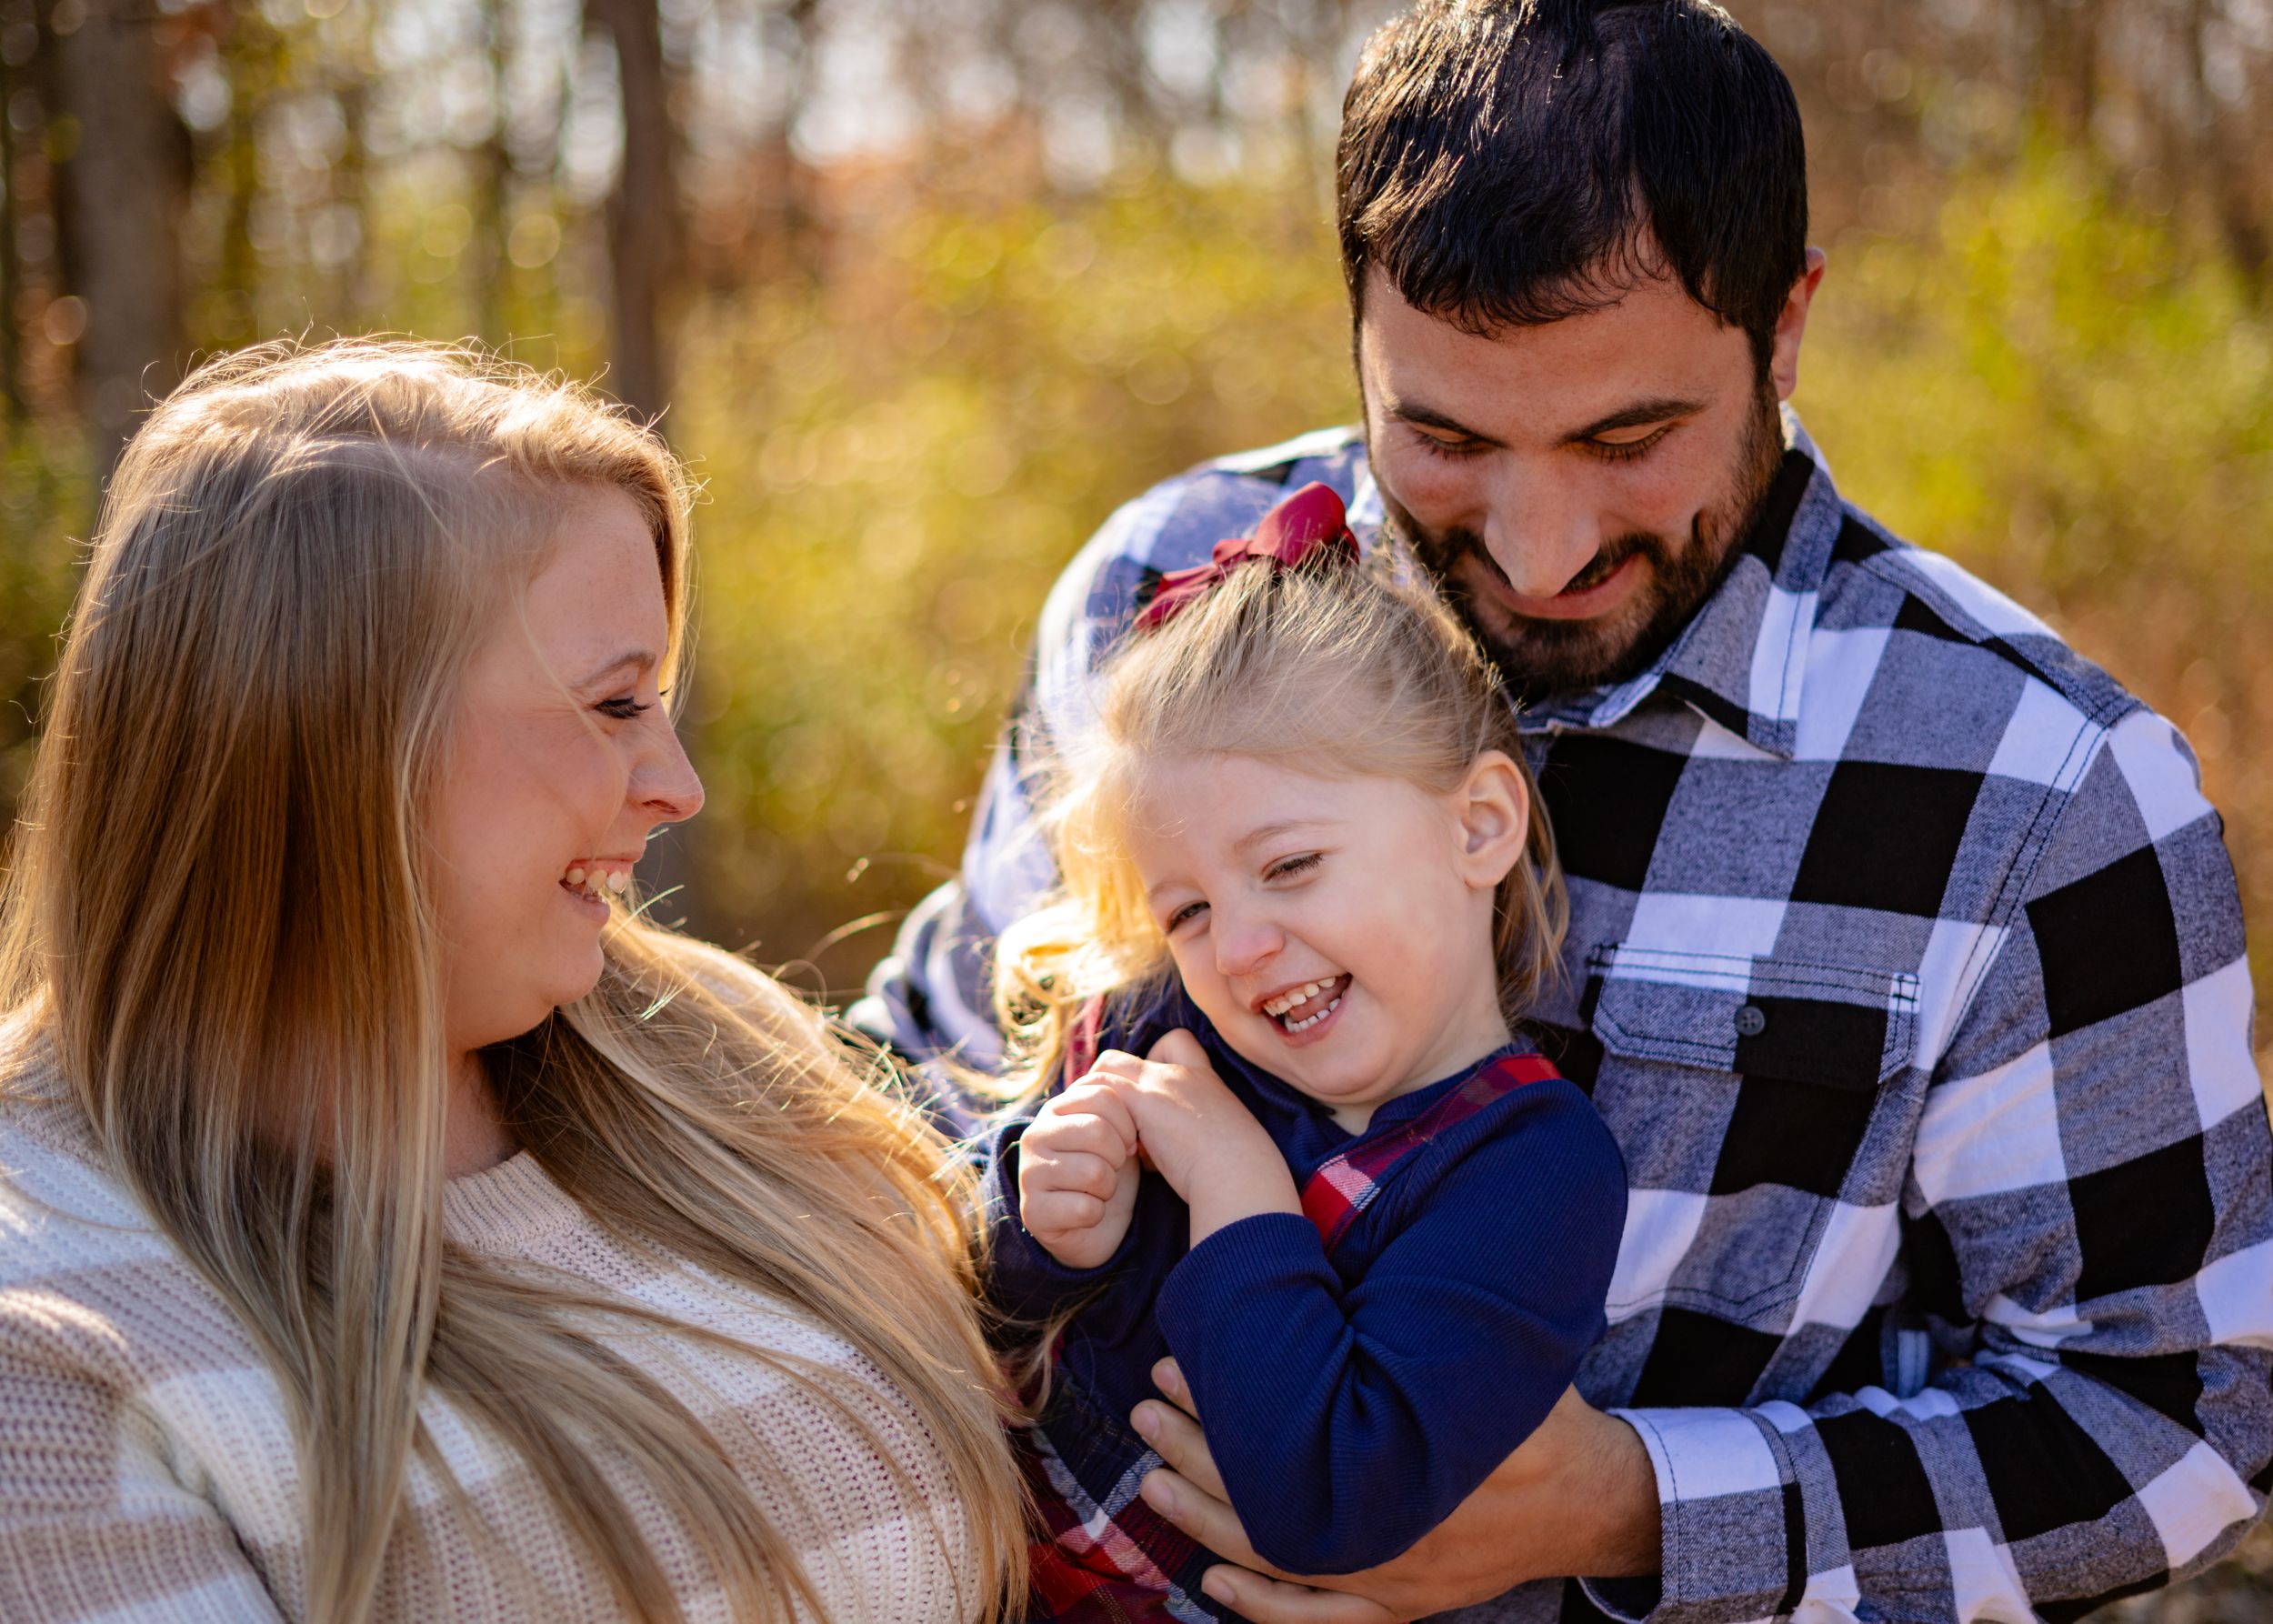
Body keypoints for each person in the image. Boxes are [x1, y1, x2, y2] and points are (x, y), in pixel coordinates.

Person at [856, 2, 2273, 1619]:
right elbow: (921, 1081)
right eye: (1446, 438)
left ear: (1786, 328)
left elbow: (2180, 1415)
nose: (1536, 550)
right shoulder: (1159, 597)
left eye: (1628, 438)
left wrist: (1628, 1508)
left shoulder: (2044, 794)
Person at [0, 338, 1026, 1623]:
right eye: (611, 706)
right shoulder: (48, 1335)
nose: (675, 785)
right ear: (341, 737)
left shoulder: (711, 1057)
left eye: (658, 698)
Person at [981, 485, 1626, 1619]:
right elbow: (972, 1307)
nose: (1234, 946)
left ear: (1477, 825)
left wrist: (1237, 1189)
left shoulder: (1531, 1175)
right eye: (1184, 911)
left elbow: (1334, 1498)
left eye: (1288, 867)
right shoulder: (1160, 1032)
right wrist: (1043, 1222)